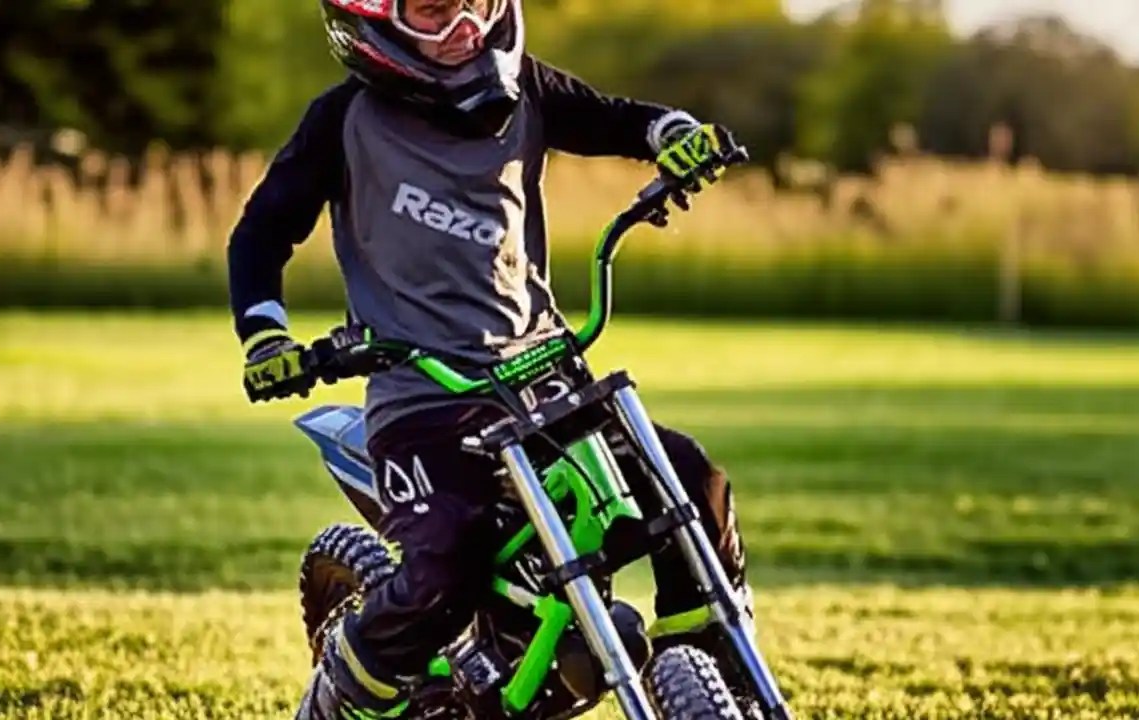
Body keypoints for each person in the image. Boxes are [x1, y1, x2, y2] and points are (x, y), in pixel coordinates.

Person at [228, 0, 751, 717]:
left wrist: (674, 134)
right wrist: (266, 337)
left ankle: (724, 676)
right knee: (447, 557)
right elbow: (262, 232)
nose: (464, 28)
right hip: (423, 399)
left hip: (542, 377)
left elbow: (615, 118)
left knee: (690, 482)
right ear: (372, 17)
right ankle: (337, 702)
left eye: (474, 4)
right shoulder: (344, 120)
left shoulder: (526, 91)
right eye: (437, 11)